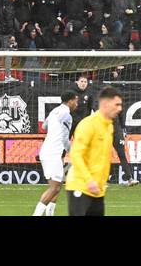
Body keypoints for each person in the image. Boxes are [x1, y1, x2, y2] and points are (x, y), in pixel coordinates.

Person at [65, 85, 122, 217]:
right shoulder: (88, 124)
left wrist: (101, 181)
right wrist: (89, 180)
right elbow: (76, 154)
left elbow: (101, 157)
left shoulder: (109, 126)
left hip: (98, 190)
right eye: (117, 104)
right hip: (80, 186)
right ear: (105, 104)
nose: (120, 108)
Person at [33, 90, 78, 216]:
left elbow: (44, 127)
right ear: (70, 101)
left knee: (56, 187)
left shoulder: (54, 111)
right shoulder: (67, 116)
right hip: (52, 153)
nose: (77, 104)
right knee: (54, 188)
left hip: (49, 152)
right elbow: (65, 139)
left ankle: (50, 214)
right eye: (76, 101)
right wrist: (72, 153)